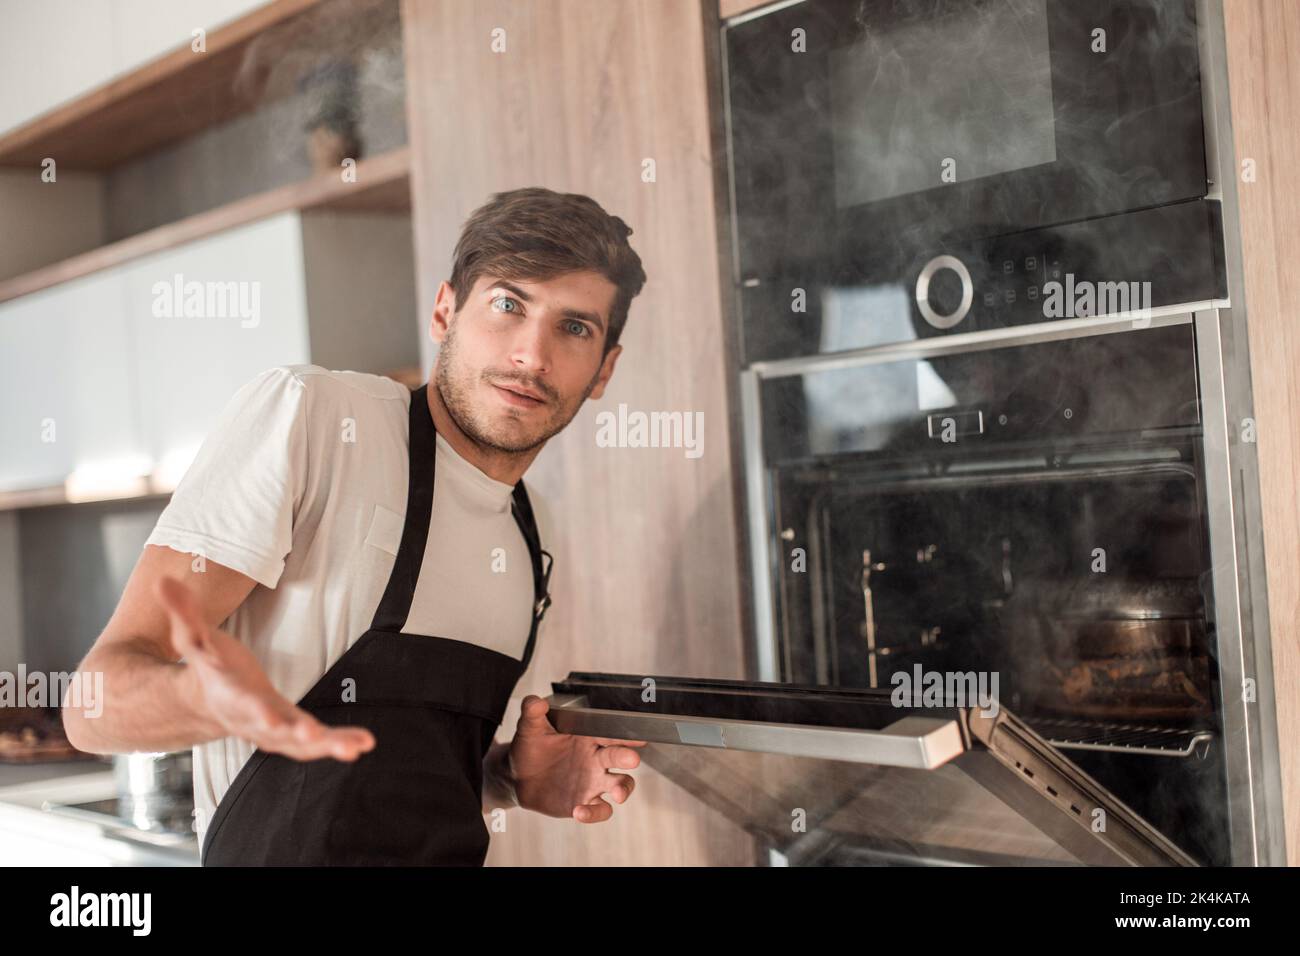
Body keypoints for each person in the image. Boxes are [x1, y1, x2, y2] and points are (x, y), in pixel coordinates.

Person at [61, 186, 649, 865]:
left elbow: (402, 772)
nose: (531, 355)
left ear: (604, 369)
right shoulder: (313, 420)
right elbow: (91, 707)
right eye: (507, 304)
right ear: (445, 309)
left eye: (574, 328)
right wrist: (209, 701)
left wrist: (510, 776)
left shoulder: (531, 530)